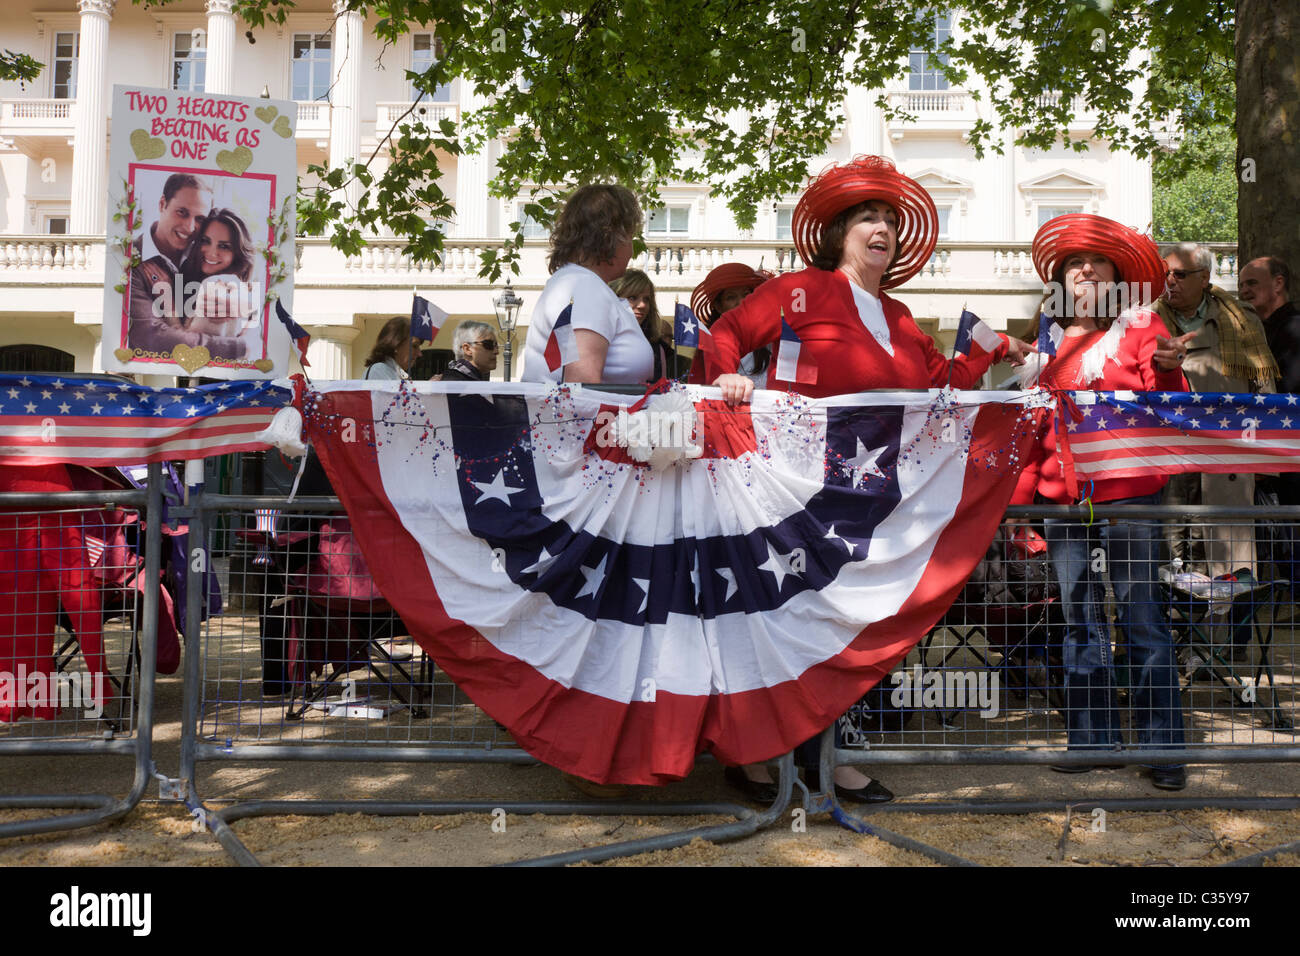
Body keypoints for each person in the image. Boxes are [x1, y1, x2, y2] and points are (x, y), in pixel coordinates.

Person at [709, 155, 1035, 804]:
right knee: (785, 619)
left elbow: (942, 393)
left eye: (889, 217)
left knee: (845, 625)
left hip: (873, 502)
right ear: (840, 234)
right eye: (868, 216)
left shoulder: (906, 316)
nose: (882, 225)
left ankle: (828, 755)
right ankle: (756, 755)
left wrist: (993, 351)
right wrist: (726, 376)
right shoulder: (800, 290)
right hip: (793, 489)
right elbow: (725, 334)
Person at [1013, 213, 1190, 790]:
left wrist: (1168, 369)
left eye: (1096, 261)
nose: (1084, 269)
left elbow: (1166, 406)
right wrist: (1023, 506)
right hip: (1062, 503)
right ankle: (1093, 739)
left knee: (1142, 618)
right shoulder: (1047, 337)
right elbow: (1030, 425)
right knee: (1080, 622)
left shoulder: (1141, 325)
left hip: (1130, 499)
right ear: (1061, 278)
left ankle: (1163, 748)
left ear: (1117, 276)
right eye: (1072, 263)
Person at [1155, 243, 1278, 578]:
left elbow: (1263, 386)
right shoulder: (1146, 322)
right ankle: (1179, 625)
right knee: (1172, 549)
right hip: (1168, 455)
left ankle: (1231, 627)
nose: (1170, 282)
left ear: (1205, 278)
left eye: (1180, 274)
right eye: (1165, 274)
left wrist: (1267, 457)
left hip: (1228, 456)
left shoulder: (1240, 320)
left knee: (1229, 551)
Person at [521, 184, 652, 385]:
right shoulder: (586, 288)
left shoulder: (574, 282)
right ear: (611, 237)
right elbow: (582, 387)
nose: (632, 249)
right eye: (630, 237)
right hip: (595, 417)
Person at [125, 174, 247, 361]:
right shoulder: (130, 260)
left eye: (199, 218)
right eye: (181, 212)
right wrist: (242, 346)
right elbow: (151, 336)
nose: (190, 227)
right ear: (162, 204)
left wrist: (242, 302)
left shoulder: (205, 257)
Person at [179, 208, 260, 342]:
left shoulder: (228, 290)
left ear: (237, 254)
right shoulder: (186, 271)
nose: (212, 253)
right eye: (206, 241)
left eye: (223, 246)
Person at [688, 262, 772, 385]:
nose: (741, 302)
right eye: (731, 297)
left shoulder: (772, 337)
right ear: (718, 307)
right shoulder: (709, 344)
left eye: (746, 294)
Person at [609, 269, 679, 381]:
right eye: (632, 297)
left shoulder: (657, 348)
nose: (642, 305)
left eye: (646, 299)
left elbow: (659, 392)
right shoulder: (596, 337)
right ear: (614, 298)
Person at [364, 316, 422, 380]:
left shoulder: (398, 374)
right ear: (396, 344)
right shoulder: (379, 370)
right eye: (414, 346)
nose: (419, 353)